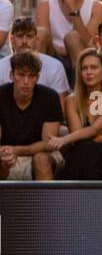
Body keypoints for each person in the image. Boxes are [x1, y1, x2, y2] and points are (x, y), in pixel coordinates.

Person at [52, 48, 102, 180]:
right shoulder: (72, 100)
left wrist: (64, 139)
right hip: (83, 158)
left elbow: (95, 130)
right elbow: (78, 138)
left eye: (94, 67)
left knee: (87, 149)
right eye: (84, 68)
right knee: (86, 148)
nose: (88, 72)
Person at [0, 52, 64, 180]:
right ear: (11, 75)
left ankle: (46, 200)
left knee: (41, 159)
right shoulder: (1, 95)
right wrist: (6, 153)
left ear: (38, 78)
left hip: (40, 153)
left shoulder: (50, 97)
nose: (26, 81)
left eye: (31, 76)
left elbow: (48, 143)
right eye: (21, 75)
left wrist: (17, 150)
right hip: (6, 153)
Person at [0, 16, 70, 97]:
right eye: (20, 36)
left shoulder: (55, 67)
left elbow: (59, 106)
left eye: (29, 36)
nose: (24, 41)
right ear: (12, 40)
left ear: (36, 40)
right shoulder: (0, 67)